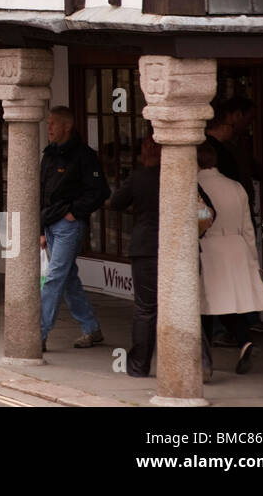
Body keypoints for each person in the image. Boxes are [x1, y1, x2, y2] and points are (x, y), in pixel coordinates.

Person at [197, 141, 263, 374]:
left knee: (205, 304)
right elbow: (248, 227)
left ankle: (205, 359)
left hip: (208, 245)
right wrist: (253, 260)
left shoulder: (194, 184)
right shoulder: (236, 186)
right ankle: (244, 341)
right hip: (237, 245)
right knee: (230, 303)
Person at [39, 106, 109, 352]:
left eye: (53, 124)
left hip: (68, 225)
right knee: (68, 279)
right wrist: (39, 228)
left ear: (66, 126)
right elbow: (41, 192)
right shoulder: (48, 154)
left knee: (55, 277)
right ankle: (91, 328)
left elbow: (99, 191)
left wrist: (74, 213)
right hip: (49, 223)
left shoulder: (84, 156)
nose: (48, 128)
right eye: (48, 124)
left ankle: (39, 333)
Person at [108, 133, 160, 377]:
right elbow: (207, 211)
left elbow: (116, 202)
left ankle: (139, 366)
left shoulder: (138, 178)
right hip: (179, 250)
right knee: (187, 306)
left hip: (146, 248)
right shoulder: (183, 176)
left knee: (145, 309)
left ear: (143, 154)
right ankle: (201, 364)